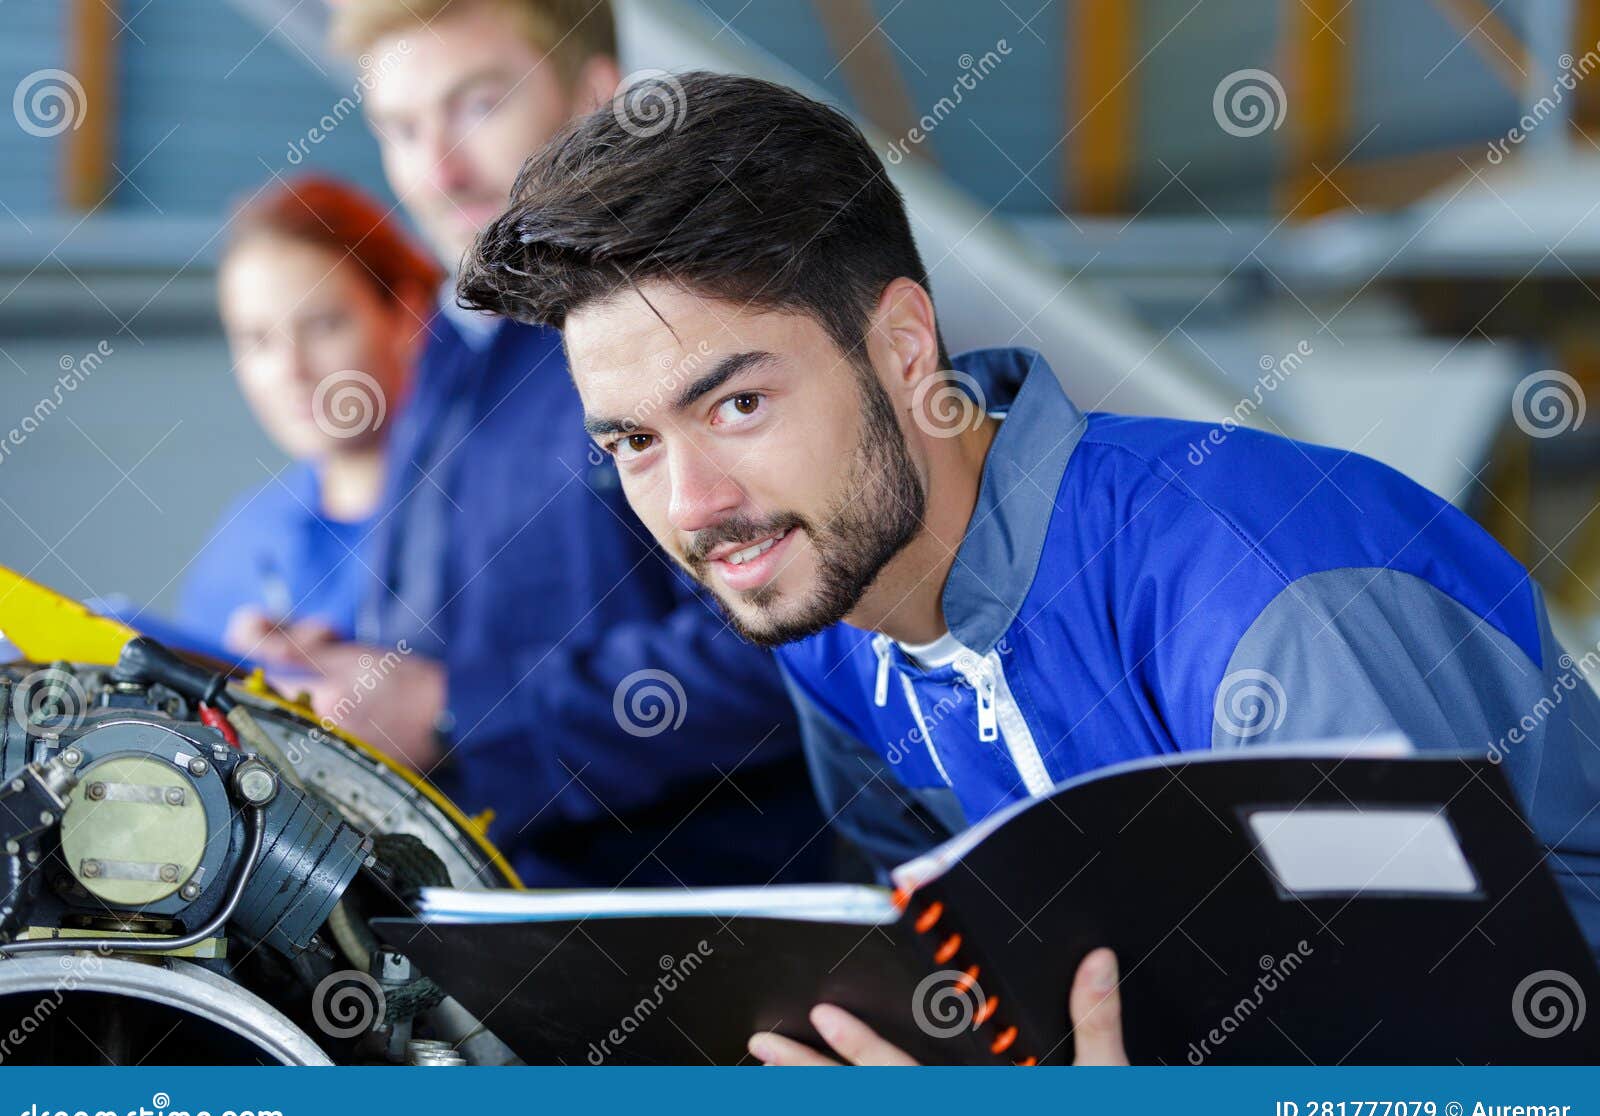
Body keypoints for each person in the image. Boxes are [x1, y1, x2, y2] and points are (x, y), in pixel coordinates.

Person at [456, 70, 1600, 1062]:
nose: (694, 506)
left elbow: (1458, 1092)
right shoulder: (832, 622)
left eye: (740, 403)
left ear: (905, 348)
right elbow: (971, 1004)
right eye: (634, 443)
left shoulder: (1260, 609)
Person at [243, 0, 827, 888]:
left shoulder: (694, 326)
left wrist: (453, 711)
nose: (436, 170)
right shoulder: (451, 351)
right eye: (401, 128)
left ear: (597, 98)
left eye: (478, 105)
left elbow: (794, 651)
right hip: (480, 923)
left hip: (684, 944)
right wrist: (348, 669)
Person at [179, 175, 436, 659]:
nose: (290, 370)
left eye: (322, 326)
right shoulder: (247, 536)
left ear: (407, 316)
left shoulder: (483, 514)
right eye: (257, 339)